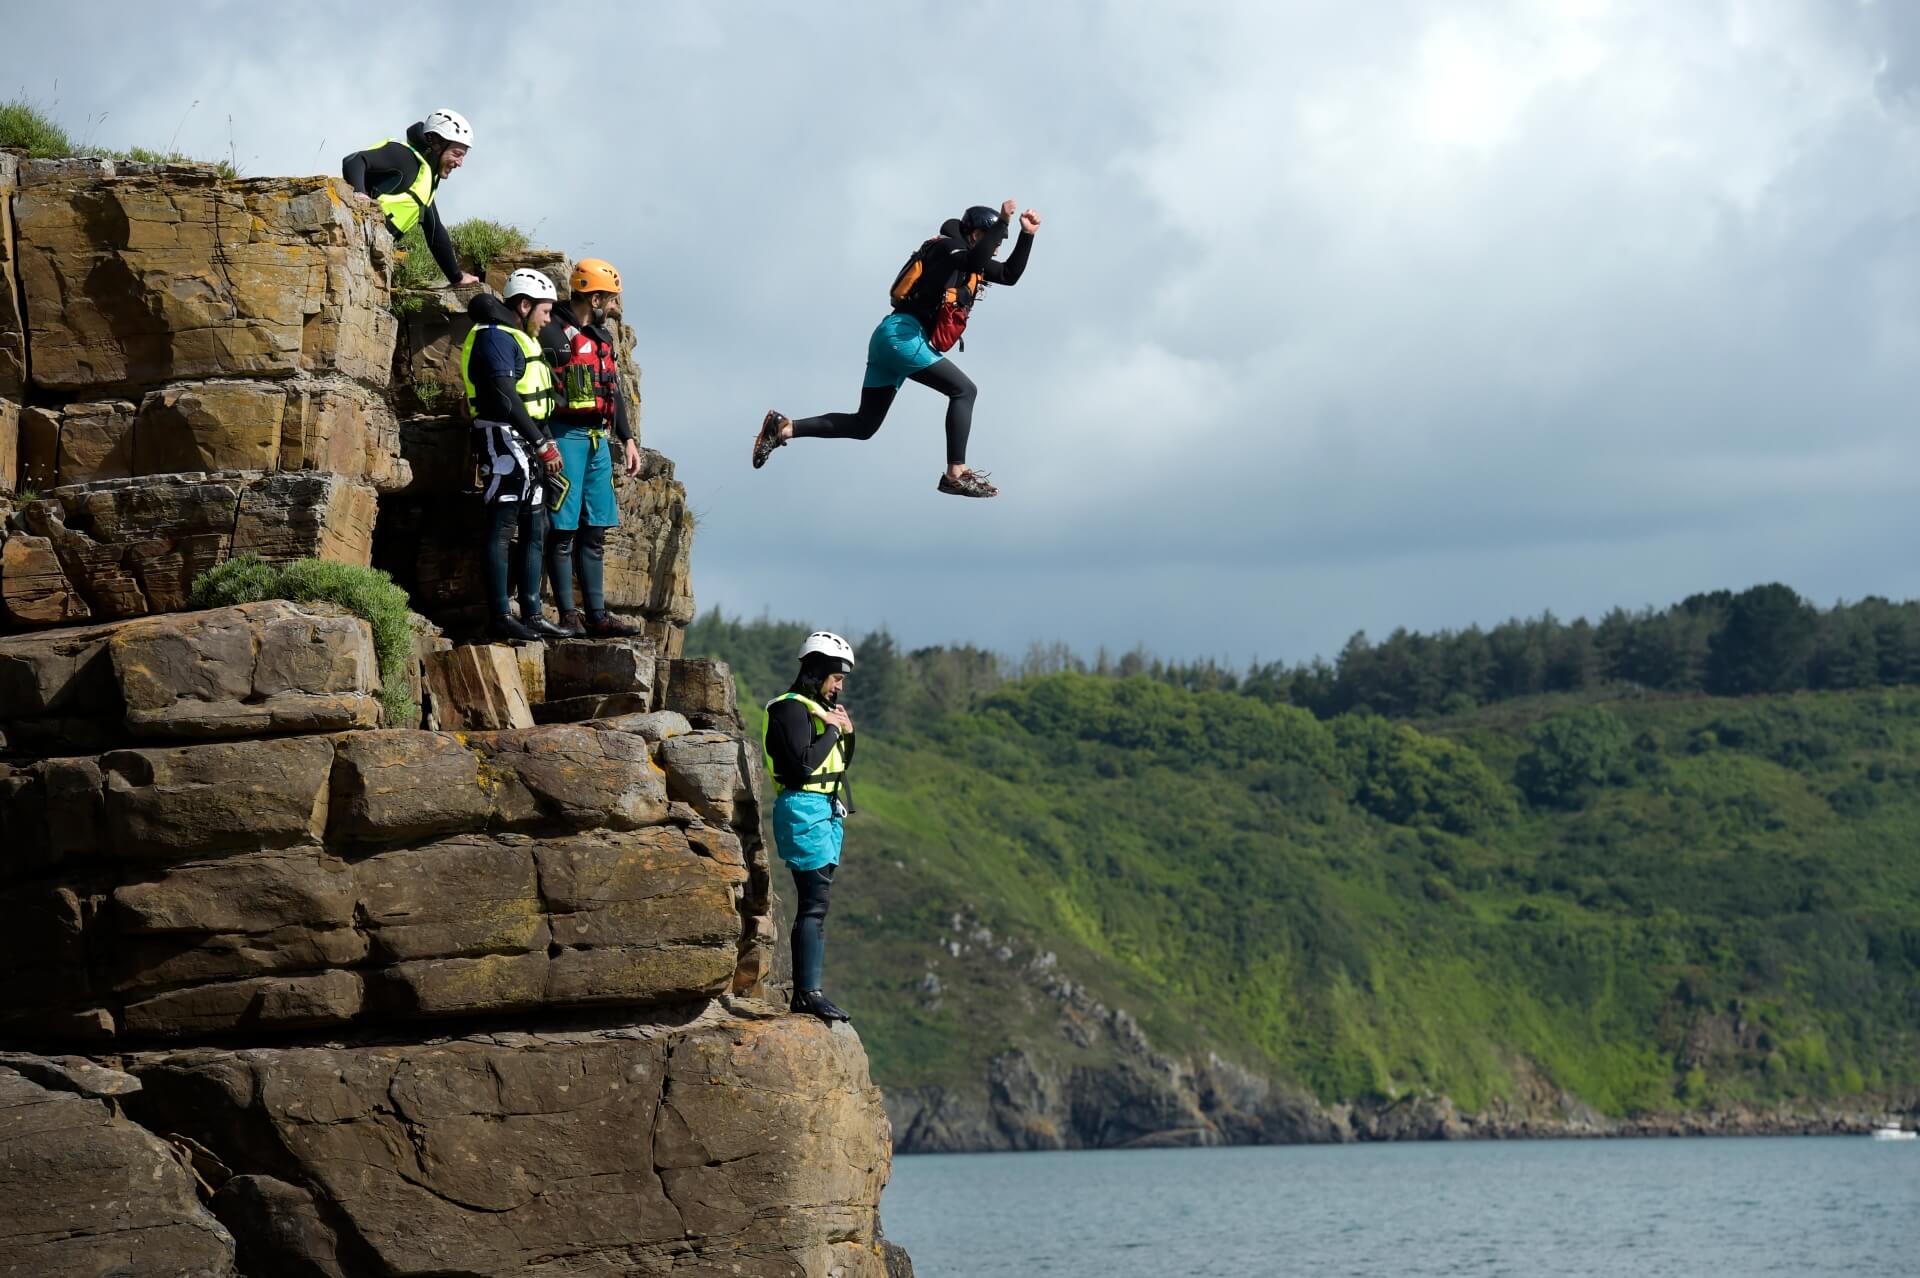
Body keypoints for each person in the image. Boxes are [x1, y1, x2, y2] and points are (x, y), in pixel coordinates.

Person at [753, 200, 1041, 498]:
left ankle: (784, 428)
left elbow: (1009, 274)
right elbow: (972, 261)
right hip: (902, 336)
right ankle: (956, 472)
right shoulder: (947, 248)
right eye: (992, 238)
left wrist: (1027, 235)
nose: (996, 248)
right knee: (964, 391)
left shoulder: (969, 257)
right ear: (974, 234)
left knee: (865, 425)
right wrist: (1003, 221)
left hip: (892, 338)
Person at [458, 268, 568, 642]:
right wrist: (541, 443)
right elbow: (505, 397)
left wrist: (545, 438)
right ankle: (501, 615)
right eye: (546, 311)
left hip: (528, 439)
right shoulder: (493, 337)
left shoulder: (519, 337)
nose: (549, 319)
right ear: (524, 305)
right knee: (503, 525)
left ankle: (533, 613)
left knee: (537, 525)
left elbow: (535, 401)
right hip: (502, 438)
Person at [538, 258, 643, 638]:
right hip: (565, 434)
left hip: (598, 439)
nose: (615, 307)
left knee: (596, 528)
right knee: (563, 528)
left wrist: (627, 438)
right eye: (612, 300)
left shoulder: (603, 338)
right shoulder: (551, 328)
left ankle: (597, 615)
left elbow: (612, 388)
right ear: (595, 298)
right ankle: (569, 615)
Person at [762, 631, 859, 1022]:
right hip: (803, 809)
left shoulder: (818, 710)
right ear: (817, 671)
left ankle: (810, 990)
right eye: (836, 678)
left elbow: (835, 763)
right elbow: (803, 764)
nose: (839, 687)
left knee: (819, 903)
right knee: (814, 904)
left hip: (827, 810)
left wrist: (845, 733)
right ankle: (807, 993)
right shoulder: (789, 708)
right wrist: (832, 728)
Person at [342, 109, 482, 287]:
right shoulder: (403, 157)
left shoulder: (424, 182)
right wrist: (360, 194)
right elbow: (354, 160)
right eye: (457, 154)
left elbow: (435, 233)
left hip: (366, 260)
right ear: (438, 145)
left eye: (463, 156)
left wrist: (457, 277)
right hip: (348, 247)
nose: (460, 163)